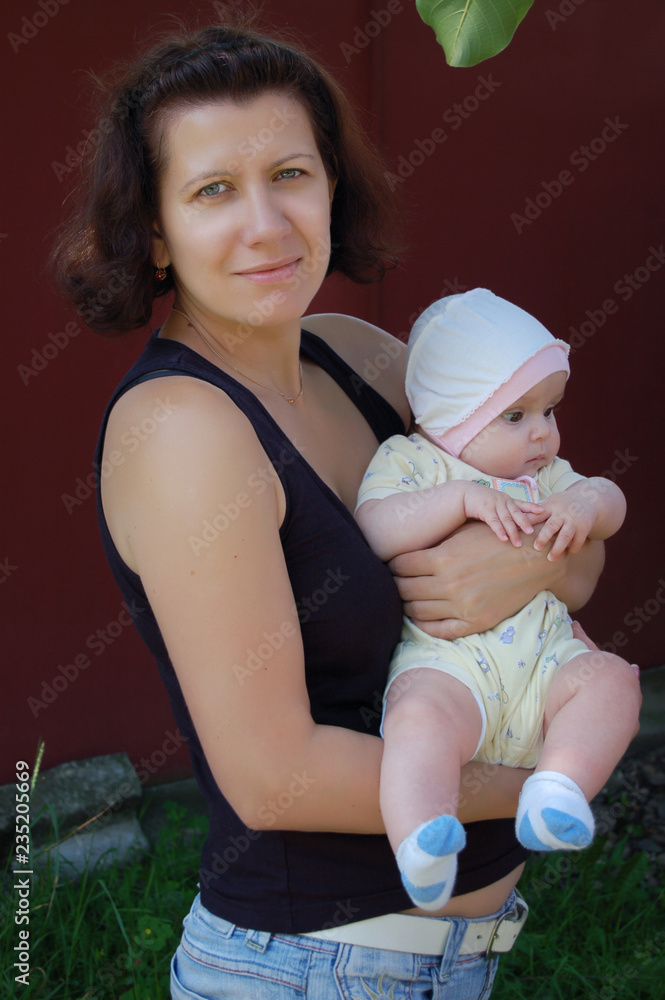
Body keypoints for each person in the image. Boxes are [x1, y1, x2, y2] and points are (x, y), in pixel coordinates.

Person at [51, 19, 608, 999]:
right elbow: (277, 777)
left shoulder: (359, 357)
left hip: (449, 960)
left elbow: (577, 545)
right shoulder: (183, 430)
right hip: (311, 966)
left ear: (331, 187)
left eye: (290, 175)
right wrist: (552, 784)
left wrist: (523, 564)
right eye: (213, 190)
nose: (267, 224)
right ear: (154, 232)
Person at [356, 288, 642, 912]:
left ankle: (557, 788)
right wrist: (457, 500)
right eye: (514, 415)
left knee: (614, 682)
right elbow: (373, 526)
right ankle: (421, 839)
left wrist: (585, 502)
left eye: (550, 410)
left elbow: (611, 502)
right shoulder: (415, 461)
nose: (542, 432)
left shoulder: (548, 478)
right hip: (452, 670)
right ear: (449, 416)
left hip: (546, 667)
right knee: (416, 721)